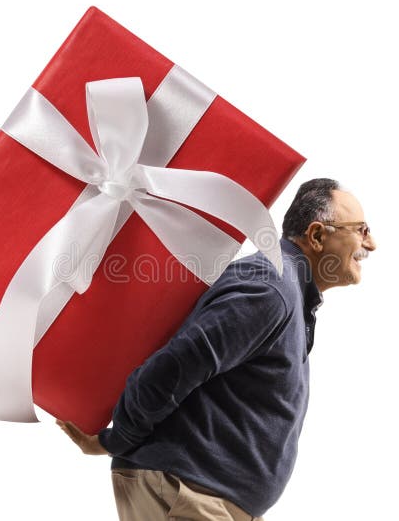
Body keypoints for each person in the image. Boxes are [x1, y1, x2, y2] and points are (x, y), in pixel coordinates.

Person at [57, 178, 377, 520]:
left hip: (202, 498)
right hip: (189, 495)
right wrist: (117, 438)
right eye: (361, 230)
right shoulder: (269, 288)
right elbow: (175, 366)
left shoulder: (288, 294)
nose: (371, 244)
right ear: (316, 236)